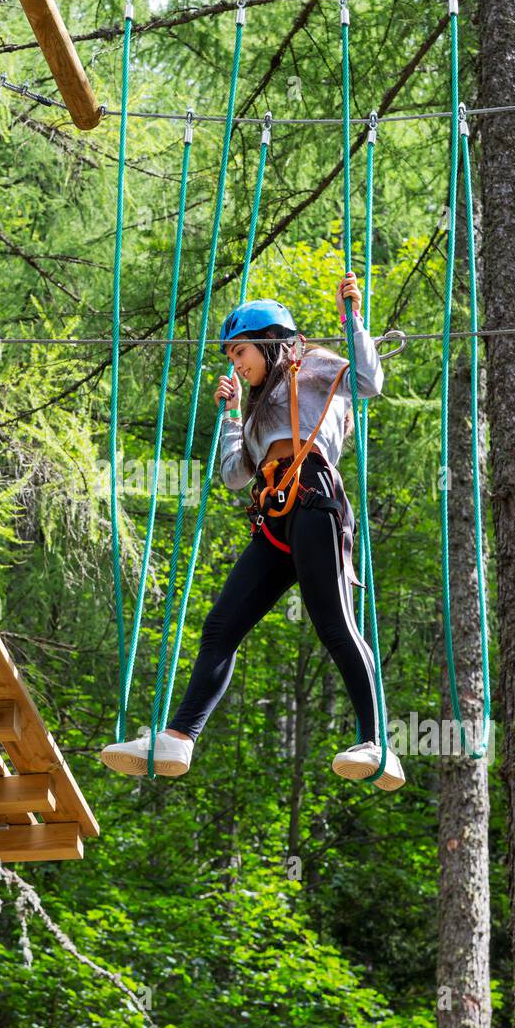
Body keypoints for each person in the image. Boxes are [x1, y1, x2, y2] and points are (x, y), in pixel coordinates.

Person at [99, 272, 405, 792]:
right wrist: (231, 415)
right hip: (274, 517)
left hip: (313, 501)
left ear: (269, 342)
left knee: (334, 625)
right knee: (220, 627)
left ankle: (377, 744)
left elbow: (369, 382)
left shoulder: (314, 366)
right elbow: (234, 475)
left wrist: (353, 318)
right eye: (231, 358)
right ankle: (179, 736)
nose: (236, 364)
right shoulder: (258, 404)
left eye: (241, 352)